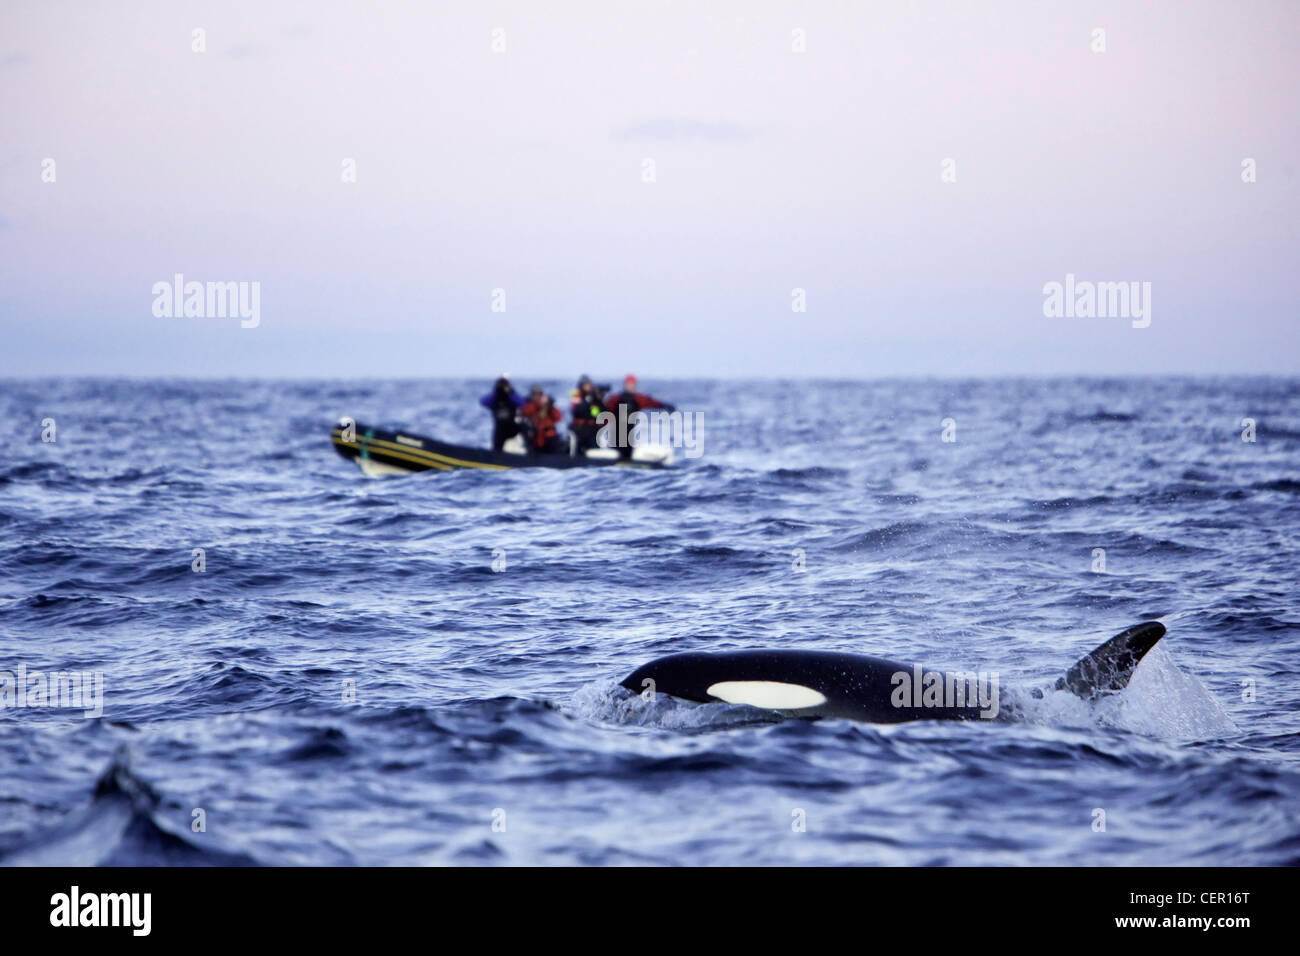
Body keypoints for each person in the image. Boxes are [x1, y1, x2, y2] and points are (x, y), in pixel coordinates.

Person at [603, 374, 675, 459]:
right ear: (625, 384)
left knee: (628, 449)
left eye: (632, 384)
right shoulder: (616, 399)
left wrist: (664, 405)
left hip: (629, 432)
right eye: (629, 384)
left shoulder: (638, 399)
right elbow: (606, 412)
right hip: (616, 433)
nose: (631, 386)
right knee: (618, 448)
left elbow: (650, 402)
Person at [479, 375, 523, 451]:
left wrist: (510, 393)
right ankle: (496, 456)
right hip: (500, 428)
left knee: (524, 427)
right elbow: (483, 401)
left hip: (512, 427)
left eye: (504, 385)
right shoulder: (494, 398)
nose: (503, 387)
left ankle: (531, 452)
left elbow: (522, 403)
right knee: (497, 445)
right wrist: (496, 393)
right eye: (500, 385)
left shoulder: (511, 397)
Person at [520, 390, 564, 454]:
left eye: (539, 395)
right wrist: (538, 405)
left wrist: (550, 407)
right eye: (535, 395)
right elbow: (525, 411)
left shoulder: (550, 409)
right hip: (535, 436)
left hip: (549, 436)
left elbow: (558, 417)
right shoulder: (532, 406)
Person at [569, 375, 604, 452]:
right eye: (585, 385)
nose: (588, 387)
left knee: (594, 449)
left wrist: (599, 399)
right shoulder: (577, 395)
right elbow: (576, 410)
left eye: (589, 385)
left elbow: (599, 413)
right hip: (579, 429)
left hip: (592, 429)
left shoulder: (594, 398)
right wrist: (588, 400)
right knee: (578, 450)